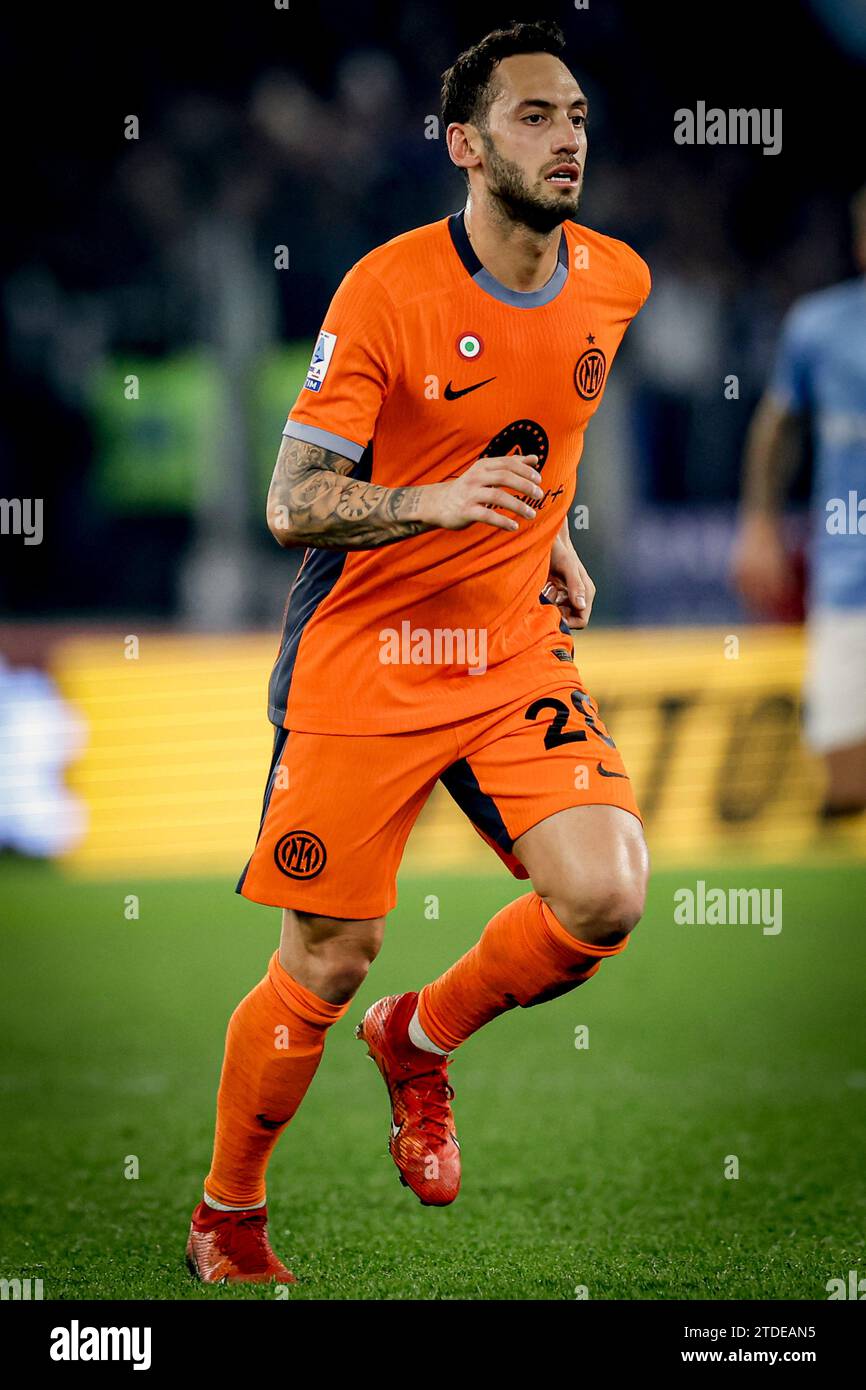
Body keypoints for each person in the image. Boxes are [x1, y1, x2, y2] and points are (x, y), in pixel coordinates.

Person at [187, 18, 652, 1285]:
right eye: (532, 118)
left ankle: (419, 1041)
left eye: (574, 118)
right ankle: (228, 1216)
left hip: (508, 649)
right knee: (326, 956)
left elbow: (552, 417)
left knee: (605, 892)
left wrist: (550, 529)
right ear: (462, 144)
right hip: (368, 656)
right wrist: (436, 501)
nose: (567, 140)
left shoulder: (616, 277)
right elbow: (291, 500)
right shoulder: (385, 290)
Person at [732, 185, 866, 820]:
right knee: (846, 788)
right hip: (847, 575)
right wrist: (758, 526)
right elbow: (775, 427)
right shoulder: (819, 326)